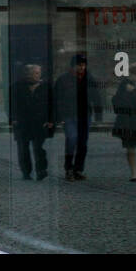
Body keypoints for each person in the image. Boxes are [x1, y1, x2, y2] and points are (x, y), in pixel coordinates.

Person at [53, 53, 103, 181]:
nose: (82, 68)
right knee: (71, 139)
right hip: (69, 115)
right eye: (79, 65)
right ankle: (69, 168)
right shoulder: (63, 79)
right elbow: (56, 99)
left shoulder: (89, 79)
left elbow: (96, 96)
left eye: (83, 65)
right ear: (72, 66)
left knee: (82, 143)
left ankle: (78, 169)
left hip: (84, 115)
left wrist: (98, 115)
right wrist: (58, 117)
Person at [9, 63, 52, 180]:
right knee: (23, 148)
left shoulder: (45, 87)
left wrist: (50, 120)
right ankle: (26, 172)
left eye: (39, 73)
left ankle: (41, 170)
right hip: (22, 122)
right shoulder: (16, 87)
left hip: (39, 122)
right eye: (36, 73)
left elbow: (51, 104)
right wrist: (13, 118)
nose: (39, 75)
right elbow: (11, 105)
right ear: (28, 74)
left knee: (39, 148)